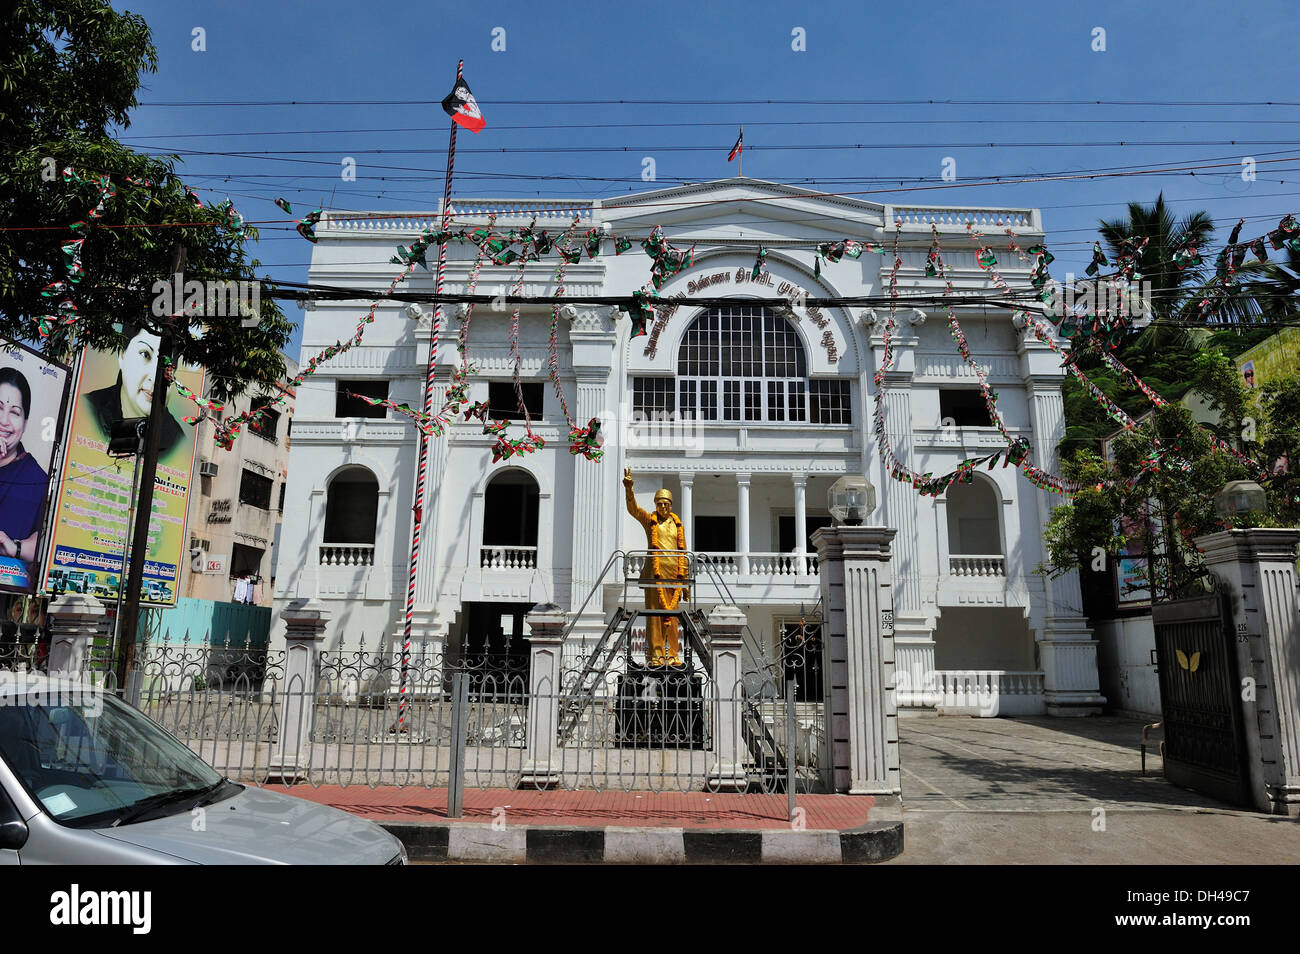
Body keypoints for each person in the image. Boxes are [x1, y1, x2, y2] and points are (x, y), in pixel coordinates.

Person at [83, 321, 184, 456]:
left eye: (168, 366)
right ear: (122, 356)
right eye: (145, 354)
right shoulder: (87, 410)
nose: (154, 378)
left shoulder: (177, 442)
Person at [623, 468, 689, 667]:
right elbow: (633, 510)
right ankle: (655, 656)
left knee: (673, 617)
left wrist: (684, 582)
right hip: (654, 576)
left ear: (671, 505)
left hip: (674, 577)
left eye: (665, 504)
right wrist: (629, 489)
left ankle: (672, 655)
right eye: (659, 504)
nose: (662, 507)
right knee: (654, 618)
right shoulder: (649, 521)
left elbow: (683, 553)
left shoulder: (677, 525)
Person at [0, 366, 48, 567]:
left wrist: (15, 547)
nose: (4, 421)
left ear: (25, 423)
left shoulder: (36, 480)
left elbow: (47, 540)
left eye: (14, 412)